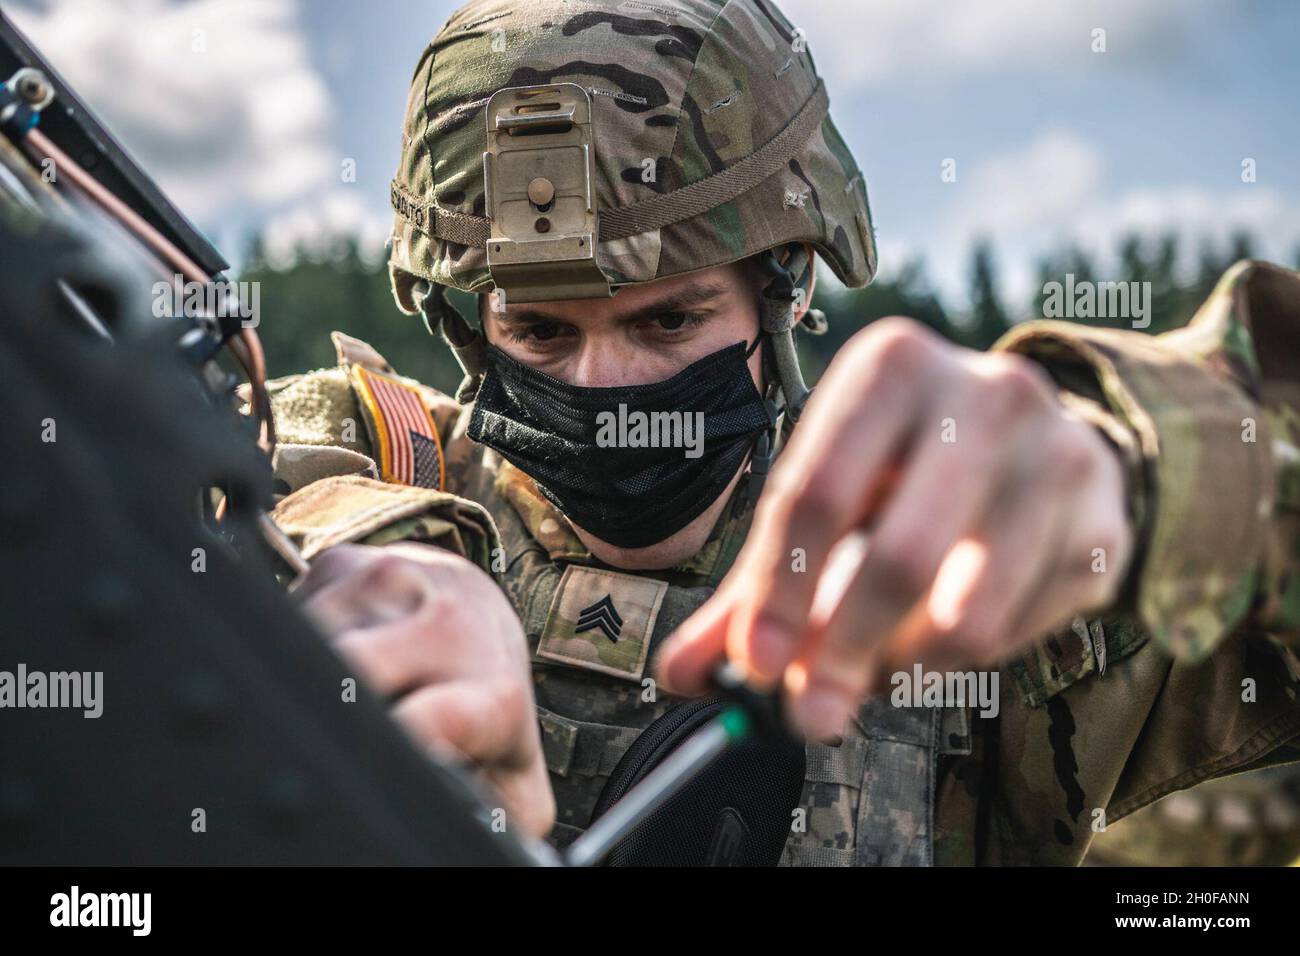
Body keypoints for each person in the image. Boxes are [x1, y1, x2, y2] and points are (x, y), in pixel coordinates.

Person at [270, 0, 1300, 864]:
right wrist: (339, 586)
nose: (605, 391)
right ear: (468, 329)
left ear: (785, 290)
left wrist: (1152, 470)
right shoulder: (353, 474)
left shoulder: (948, 568)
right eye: (539, 331)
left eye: (667, 321)